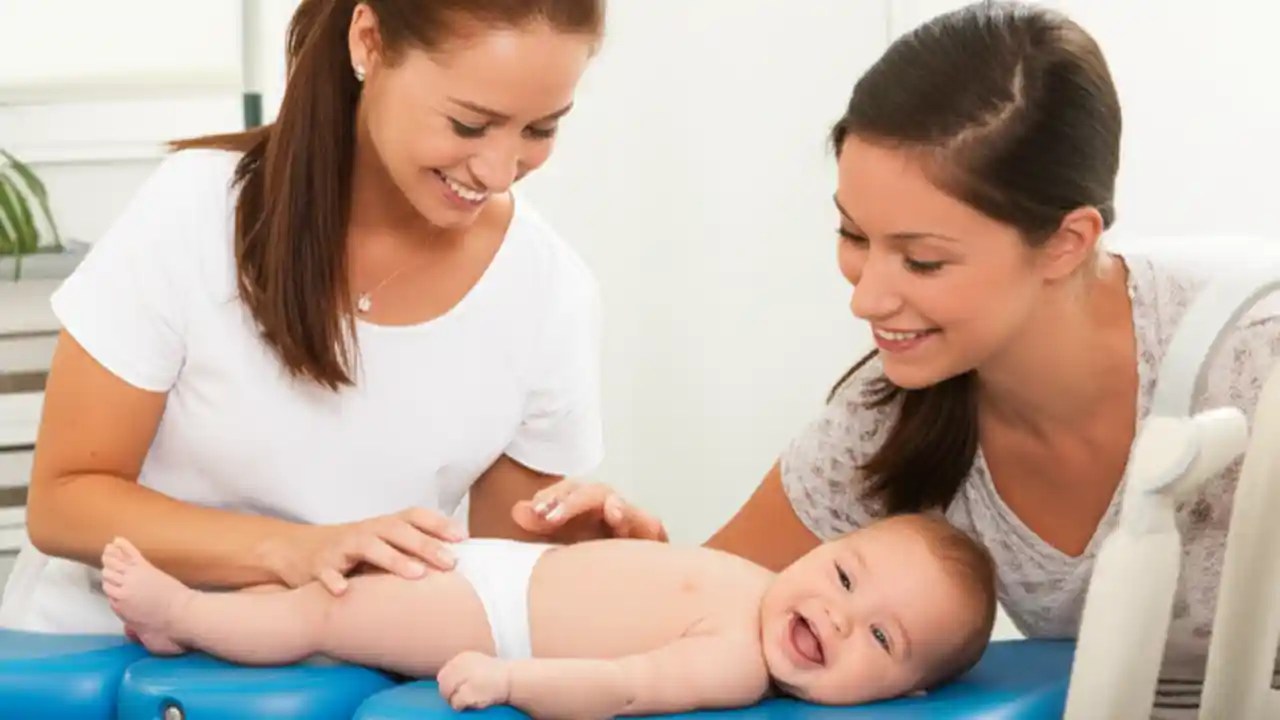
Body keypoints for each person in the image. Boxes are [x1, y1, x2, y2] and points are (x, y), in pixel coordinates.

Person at [524, 3, 1280, 718]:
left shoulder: (1251, 359)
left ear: (1066, 242)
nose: (866, 299)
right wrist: (637, 572)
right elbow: (718, 606)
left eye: (921, 261)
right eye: (854, 237)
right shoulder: (886, 422)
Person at [0, 0, 639, 635]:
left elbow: (500, 575)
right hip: (97, 658)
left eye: (540, 129)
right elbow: (65, 503)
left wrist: (595, 555)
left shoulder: (549, 291)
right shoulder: (198, 211)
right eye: (470, 125)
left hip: (334, 678)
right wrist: (295, 551)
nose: (498, 172)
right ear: (369, 42)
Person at [101, 512, 996, 716]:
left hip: (494, 619)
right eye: (844, 576)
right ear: (823, 547)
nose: (838, 617)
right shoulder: (756, 583)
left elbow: (622, 686)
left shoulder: (739, 662)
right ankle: (209, 614)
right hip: (507, 565)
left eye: (882, 637)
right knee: (332, 595)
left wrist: (511, 678)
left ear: (905, 694)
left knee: (323, 616)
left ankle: (186, 614)